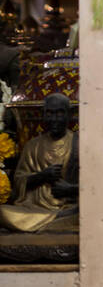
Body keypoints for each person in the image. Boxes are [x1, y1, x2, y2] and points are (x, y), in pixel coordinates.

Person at [0, 93, 78, 233]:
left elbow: (95, 186)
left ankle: (55, 221)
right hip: (34, 209)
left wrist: (70, 189)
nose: (54, 119)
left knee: (85, 214)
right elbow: (18, 182)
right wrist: (41, 176)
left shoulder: (79, 144)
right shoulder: (33, 146)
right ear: (43, 115)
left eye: (59, 113)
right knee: (2, 211)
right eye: (49, 113)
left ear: (69, 115)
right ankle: (54, 222)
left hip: (68, 208)